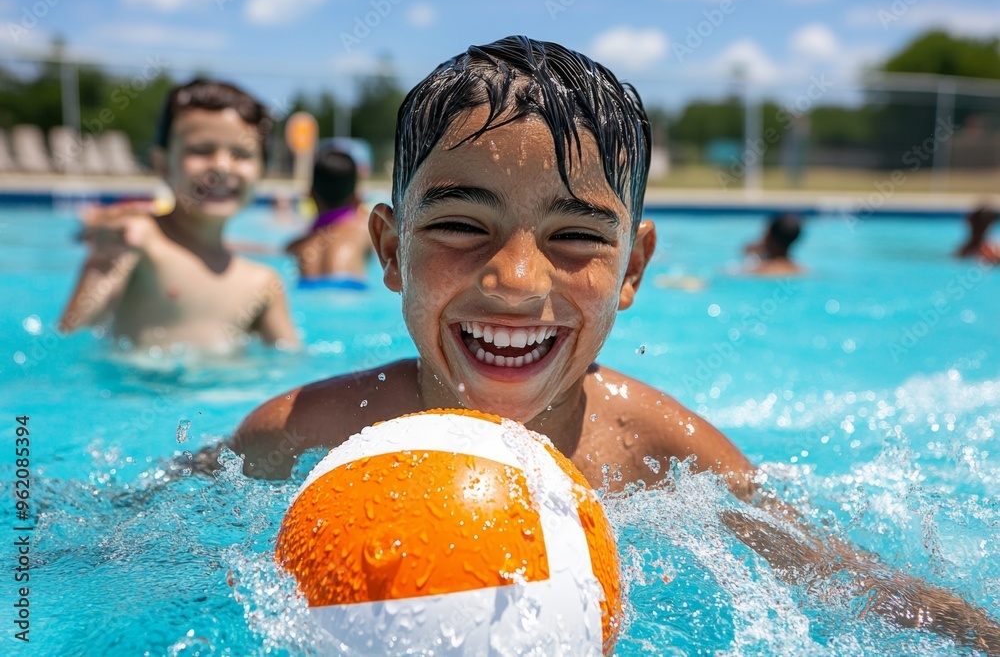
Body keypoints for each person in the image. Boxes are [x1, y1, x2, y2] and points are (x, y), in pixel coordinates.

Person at [216, 37, 999, 651]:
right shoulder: (307, 433)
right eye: (459, 223)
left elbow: (846, 577)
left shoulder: (661, 451)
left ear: (633, 268)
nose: (516, 281)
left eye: (576, 235)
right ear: (391, 251)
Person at [58, 78, 299, 353]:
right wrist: (101, 262)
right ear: (162, 165)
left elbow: (291, 365)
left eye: (241, 154)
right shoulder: (140, 242)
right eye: (201, 150)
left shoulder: (263, 284)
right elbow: (72, 333)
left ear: (263, 172)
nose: (221, 166)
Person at [284, 146, 372, 290]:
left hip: (306, 289)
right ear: (356, 197)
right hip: (351, 290)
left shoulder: (294, 246)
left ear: (310, 195)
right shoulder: (366, 229)